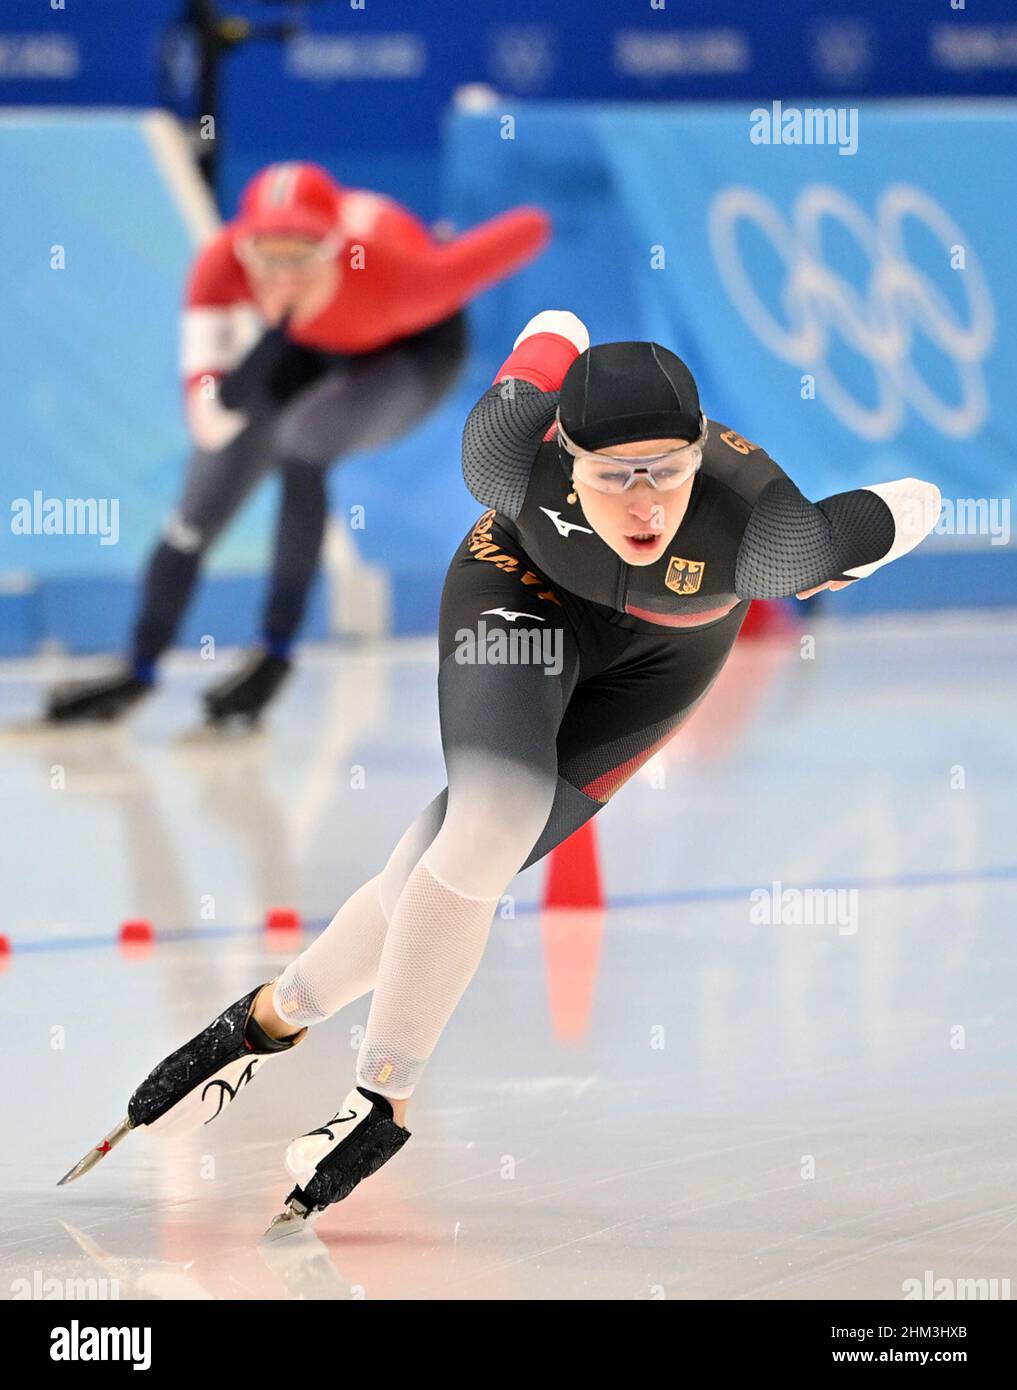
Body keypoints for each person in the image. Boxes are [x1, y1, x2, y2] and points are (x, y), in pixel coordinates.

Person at [61, 311, 941, 1232]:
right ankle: (381, 1102)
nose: (643, 505)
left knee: (430, 877)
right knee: (490, 821)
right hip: (516, 589)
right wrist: (559, 343)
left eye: (668, 473)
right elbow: (553, 330)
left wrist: (882, 532)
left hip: (663, 663)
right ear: (565, 451)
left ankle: (265, 1021)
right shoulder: (507, 452)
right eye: (612, 477)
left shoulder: (768, 535)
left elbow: (906, 501)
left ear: (696, 457)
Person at [45, 162, 549, 725]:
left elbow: (529, 227)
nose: (282, 280)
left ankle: (276, 654)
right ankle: (139, 667)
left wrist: (453, 249)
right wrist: (210, 407)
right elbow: (204, 388)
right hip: (310, 340)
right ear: (243, 250)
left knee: (302, 443)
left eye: (302, 258)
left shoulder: (411, 279)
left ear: (337, 249)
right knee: (201, 499)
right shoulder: (221, 265)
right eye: (267, 258)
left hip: (413, 347)